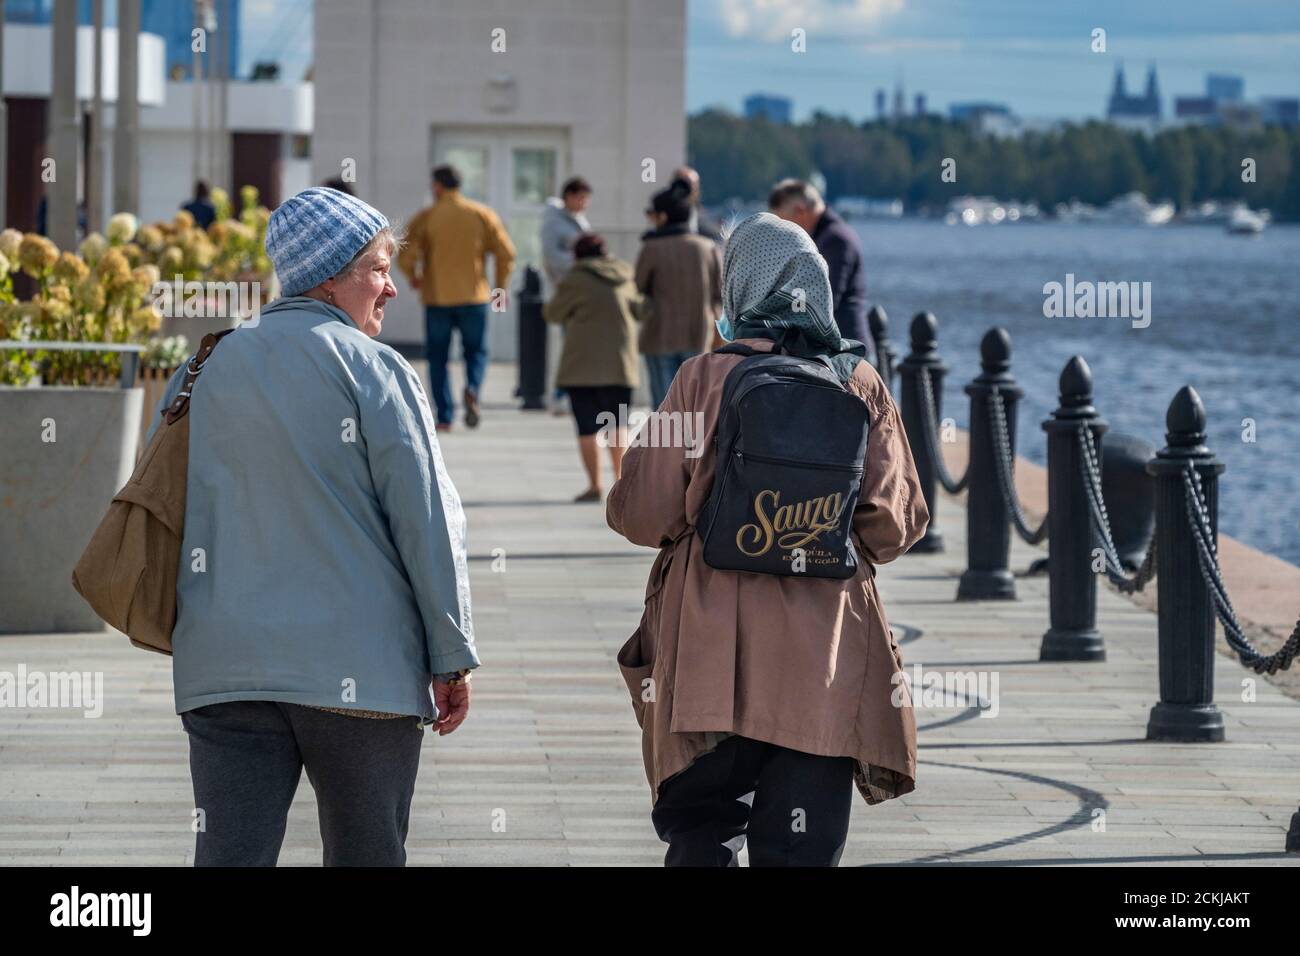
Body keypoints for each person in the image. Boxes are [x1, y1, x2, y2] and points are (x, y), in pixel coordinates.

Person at [152, 186, 479, 866]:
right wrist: (450, 655)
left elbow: (165, 510)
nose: (390, 290)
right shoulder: (376, 369)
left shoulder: (202, 367)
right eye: (379, 269)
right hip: (360, 670)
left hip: (226, 668)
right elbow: (425, 519)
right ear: (331, 276)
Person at [607, 212, 929, 867]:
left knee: (702, 830)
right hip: (825, 654)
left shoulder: (701, 378)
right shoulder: (858, 381)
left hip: (710, 648)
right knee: (801, 847)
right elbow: (895, 526)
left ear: (738, 288)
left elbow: (642, 513)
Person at [398, 164, 516, 431]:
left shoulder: (427, 216)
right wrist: (499, 288)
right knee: (476, 352)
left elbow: (405, 252)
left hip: (437, 298)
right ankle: (473, 388)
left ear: (438, 186)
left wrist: (413, 276)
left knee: (438, 358)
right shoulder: (481, 214)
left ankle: (445, 416)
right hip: (474, 297)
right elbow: (506, 253)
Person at [543, 233, 640, 502]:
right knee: (617, 423)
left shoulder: (575, 279)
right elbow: (641, 310)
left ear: (578, 256)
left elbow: (552, 314)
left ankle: (595, 485)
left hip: (581, 367)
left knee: (587, 427)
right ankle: (621, 484)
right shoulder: (625, 274)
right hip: (620, 366)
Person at [634, 185, 722, 409]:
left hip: (659, 334)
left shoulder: (652, 247)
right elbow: (720, 295)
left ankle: (668, 445)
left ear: (663, 216)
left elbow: (638, 287)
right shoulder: (708, 247)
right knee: (694, 405)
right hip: (699, 334)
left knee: (665, 408)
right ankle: (692, 445)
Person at [768, 179, 873, 357]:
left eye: (784, 224)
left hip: (847, 353)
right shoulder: (829, 235)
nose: (784, 233)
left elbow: (824, 300)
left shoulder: (835, 240)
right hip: (841, 348)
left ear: (800, 211)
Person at [540, 176, 593, 414]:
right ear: (568, 197)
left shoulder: (577, 219)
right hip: (569, 290)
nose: (584, 203)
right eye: (580, 197)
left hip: (582, 290)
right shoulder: (554, 222)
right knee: (571, 346)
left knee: (578, 346)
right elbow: (551, 255)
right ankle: (560, 395)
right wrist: (582, 266)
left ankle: (568, 394)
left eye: (586, 199)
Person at [671, 165, 724, 242]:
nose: (684, 190)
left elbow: (716, 236)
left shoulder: (701, 215)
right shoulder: (662, 214)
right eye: (681, 184)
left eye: (690, 186)